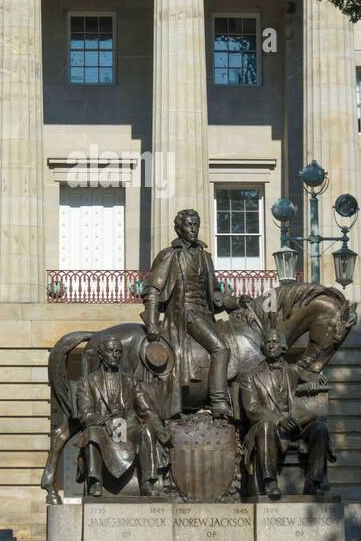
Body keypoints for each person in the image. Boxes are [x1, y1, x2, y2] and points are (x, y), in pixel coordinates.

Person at [141, 208, 243, 417]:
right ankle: (218, 401)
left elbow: (215, 294)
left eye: (196, 224)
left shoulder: (206, 257)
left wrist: (237, 302)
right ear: (179, 229)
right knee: (221, 348)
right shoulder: (170, 255)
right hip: (185, 314)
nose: (193, 229)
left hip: (205, 314)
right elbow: (153, 289)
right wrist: (152, 322)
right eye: (189, 225)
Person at [76, 335, 177, 498]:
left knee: (146, 431)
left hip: (127, 428)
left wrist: (160, 428)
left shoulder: (131, 381)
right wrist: (105, 421)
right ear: (101, 355)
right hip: (103, 429)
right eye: (110, 351)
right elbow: (85, 414)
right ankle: (95, 481)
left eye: (118, 351)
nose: (115, 354)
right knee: (91, 433)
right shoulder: (87, 381)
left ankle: (147, 482)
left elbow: (145, 409)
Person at [238, 328, 334, 499]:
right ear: (263, 347)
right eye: (268, 342)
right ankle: (270, 482)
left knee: (319, 427)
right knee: (266, 426)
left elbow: (311, 376)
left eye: (275, 342)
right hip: (267, 427)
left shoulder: (293, 370)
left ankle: (314, 482)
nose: (272, 346)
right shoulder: (249, 377)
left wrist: (316, 381)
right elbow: (251, 408)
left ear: (282, 346)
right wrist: (278, 419)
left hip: (294, 426)